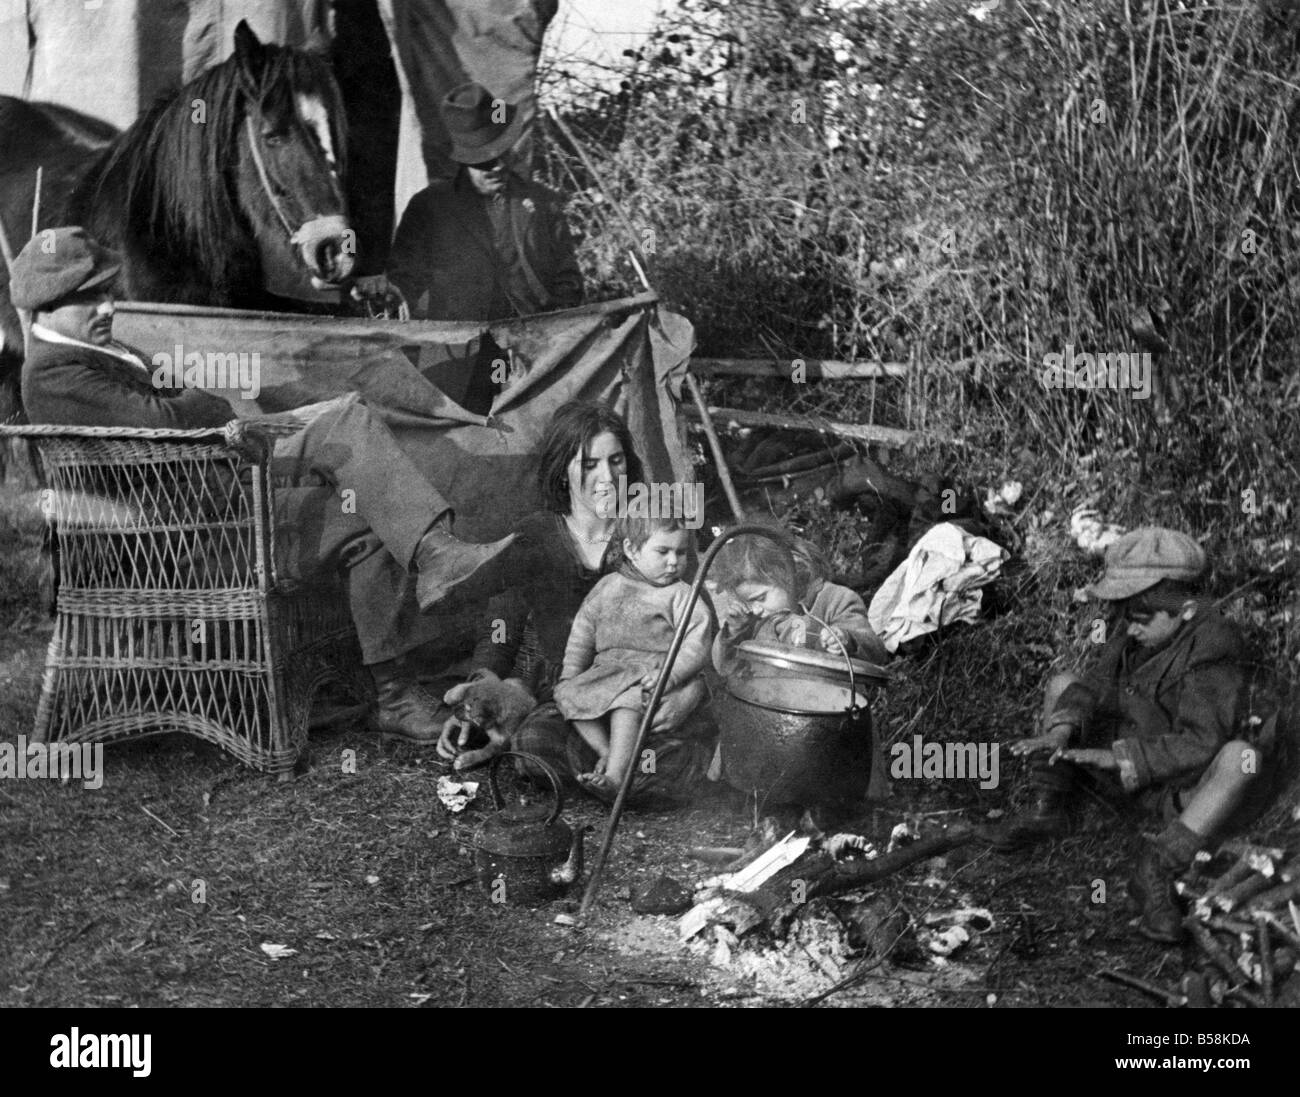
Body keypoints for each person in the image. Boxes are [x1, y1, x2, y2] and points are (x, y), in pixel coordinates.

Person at [11, 226, 515, 745]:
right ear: (45, 309)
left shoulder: (99, 353)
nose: (108, 307)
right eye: (89, 297)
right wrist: (194, 401)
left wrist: (193, 402)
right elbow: (179, 416)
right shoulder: (56, 374)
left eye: (108, 291)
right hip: (183, 540)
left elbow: (191, 407)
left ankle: (422, 601)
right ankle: (426, 593)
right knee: (350, 447)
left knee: (350, 435)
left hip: (217, 493)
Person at [975, 527, 1267, 943]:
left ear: (1184, 606)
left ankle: (1159, 866)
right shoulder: (1136, 625)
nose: (1129, 629)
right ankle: (1049, 809)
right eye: (1127, 616)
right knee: (1064, 684)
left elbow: (1203, 743)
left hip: (1174, 790)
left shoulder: (1215, 643)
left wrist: (1121, 758)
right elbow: (1093, 683)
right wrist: (1060, 733)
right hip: (1122, 774)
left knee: (1240, 758)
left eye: (1141, 617)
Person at [438, 400, 712, 806]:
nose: (607, 477)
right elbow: (501, 631)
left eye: (616, 461)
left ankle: (634, 770)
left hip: (650, 690)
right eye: (589, 464)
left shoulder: (656, 531)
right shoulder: (535, 536)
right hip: (577, 698)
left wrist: (692, 693)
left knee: (658, 742)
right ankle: (620, 772)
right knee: (534, 746)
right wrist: (476, 703)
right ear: (562, 471)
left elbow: (703, 626)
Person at [553, 511, 713, 802]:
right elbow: (582, 634)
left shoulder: (681, 595)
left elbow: (697, 644)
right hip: (606, 672)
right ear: (631, 550)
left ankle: (615, 777)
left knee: (627, 703)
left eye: (681, 552)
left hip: (649, 676)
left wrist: (670, 675)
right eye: (663, 552)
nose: (674, 562)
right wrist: (571, 673)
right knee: (564, 694)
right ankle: (606, 752)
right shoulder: (607, 587)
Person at [711, 531, 890, 674]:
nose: (756, 610)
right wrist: (733, 632)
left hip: (826, 701)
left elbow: (876, 651)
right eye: (748, 603)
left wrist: (847, 639)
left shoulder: (834, 600)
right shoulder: (753, 621)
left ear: (787, 577)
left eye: (760, 598)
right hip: (770, 701)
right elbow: (724, 668)